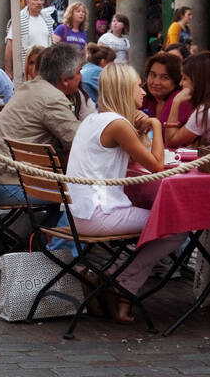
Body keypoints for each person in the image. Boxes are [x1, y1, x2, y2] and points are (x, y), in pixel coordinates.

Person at [65, 63, 184, 323]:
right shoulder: (118, 124)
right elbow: (157, 166)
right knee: (176, 227)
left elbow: (130, 163)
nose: (143, 92)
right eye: (138, 86)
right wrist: (155, 123)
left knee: (160, 219)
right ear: (124, 90)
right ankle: (121, 283)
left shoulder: (93, 120)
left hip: (78, 213)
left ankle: (116, 282)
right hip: (98, 215)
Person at [0, 43, 85, 207]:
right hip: (10, 185)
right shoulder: (52, 98)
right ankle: (52, 233)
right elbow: (79, 141)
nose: (81, 77)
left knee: (69, 193)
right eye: (79, 72)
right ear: (65, 79)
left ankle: (43, 231)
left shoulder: (28, 88)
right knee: (81, 198)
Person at [5, 0, 56, 77]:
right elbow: (10, 46)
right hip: (27, 69)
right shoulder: (19, 19)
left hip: (45, 68)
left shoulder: (47, 19)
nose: (39, 2)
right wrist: (8, 71)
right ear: (27, 2)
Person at [142, 51, 193, 132]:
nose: (156, 82)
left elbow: (167, 139)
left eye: (165, 78)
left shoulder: (181, 101)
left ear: (176, 80)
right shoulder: (145, 97)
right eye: (153, 75)